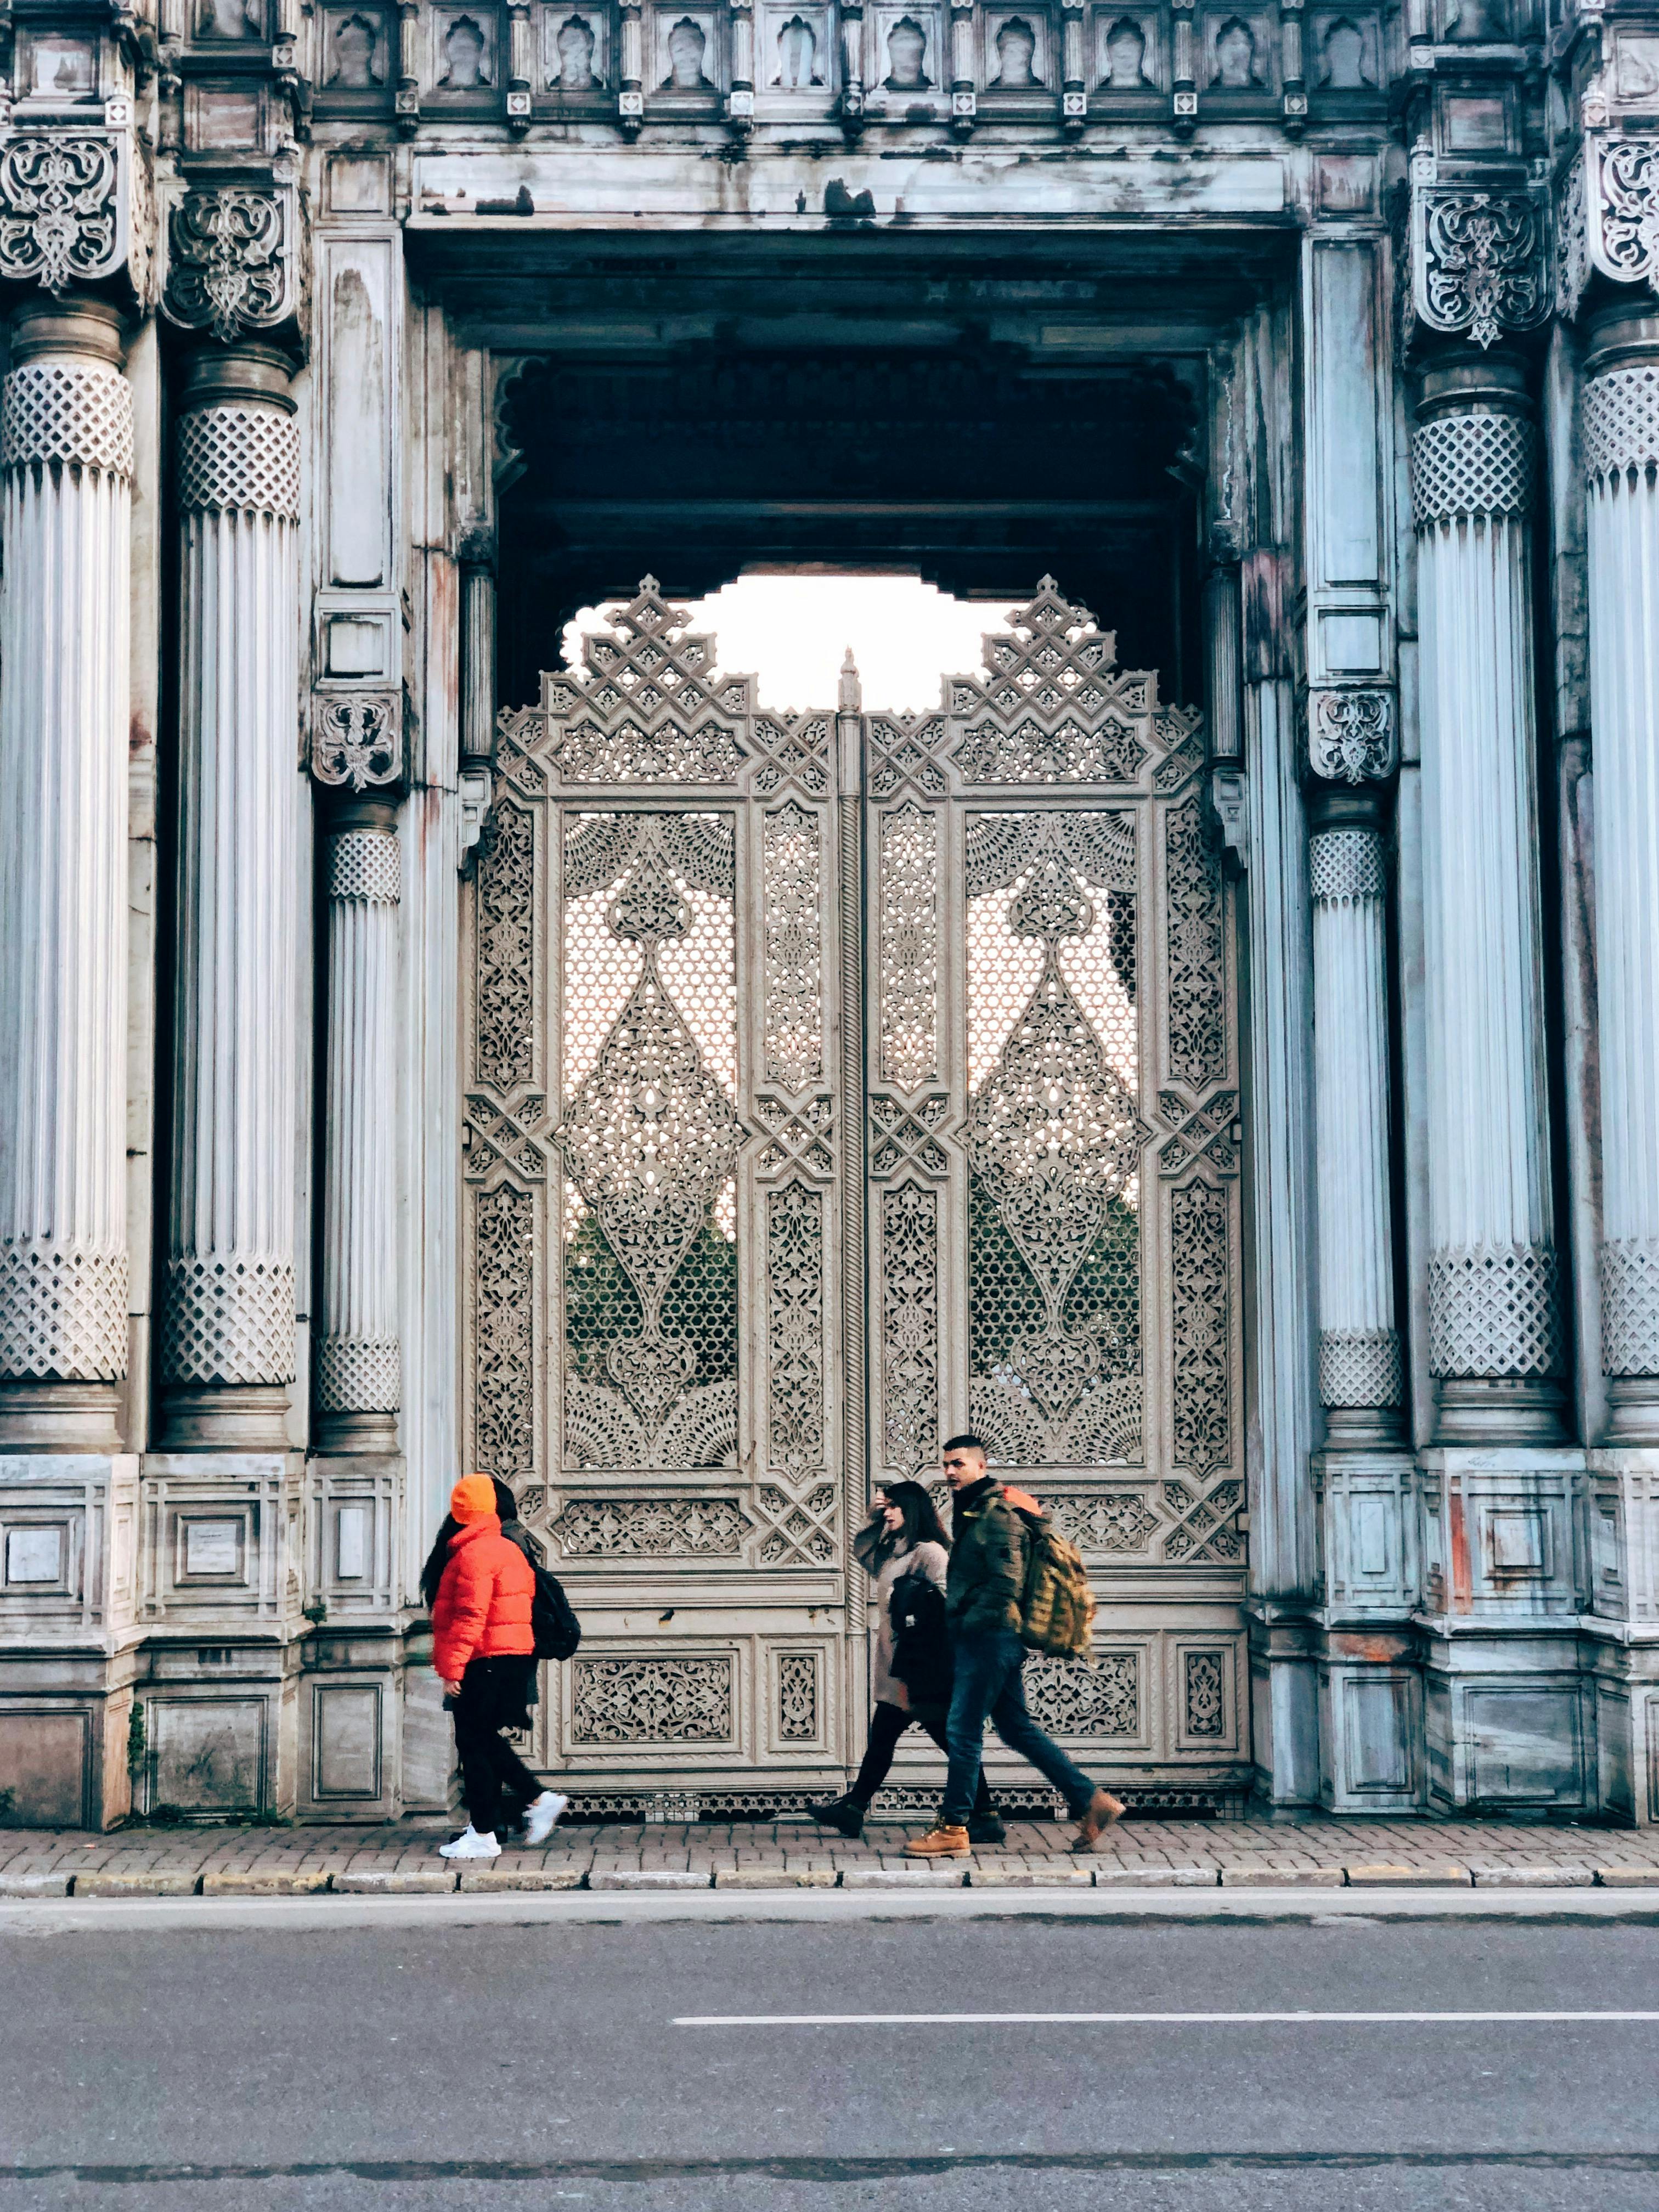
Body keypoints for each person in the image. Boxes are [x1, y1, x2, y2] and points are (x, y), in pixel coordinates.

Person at [906, 1435, 1124, 1859]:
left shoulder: (996, 1514)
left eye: (959, 1464)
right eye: (946, 1464)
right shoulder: (974, 1509)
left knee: (963, 1730)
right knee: (1015, 1728)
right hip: (989, 1637)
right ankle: (1092, 1802)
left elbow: (1007, 1580)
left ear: (981, 1467)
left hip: (989, 1637)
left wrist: (967, 1621)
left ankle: (953, 1827)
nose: (950, 1471)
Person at [810, 1481, 1002, 1844]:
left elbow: (949, 1600)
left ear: (912, 1510)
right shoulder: (896, 1553)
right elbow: (862, 1549)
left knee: (932, 1739)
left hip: (918, 1667)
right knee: (896, 1737)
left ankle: (984, 1814)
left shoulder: (929, 1553)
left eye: (896, 1507)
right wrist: (873, 1514)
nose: (889, 1512)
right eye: (888, 1507)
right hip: (897, 1663)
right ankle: (854, 1808)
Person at [427, 1474, 566, 1860]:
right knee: (481, 1740)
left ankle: (498, 1825)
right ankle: (517, 1810)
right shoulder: (506, 1548)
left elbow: (471, 1615)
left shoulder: (474, 1553)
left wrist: (452, 1670)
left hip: (485, 1658)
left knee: (475, 1742)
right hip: (509, 1657)